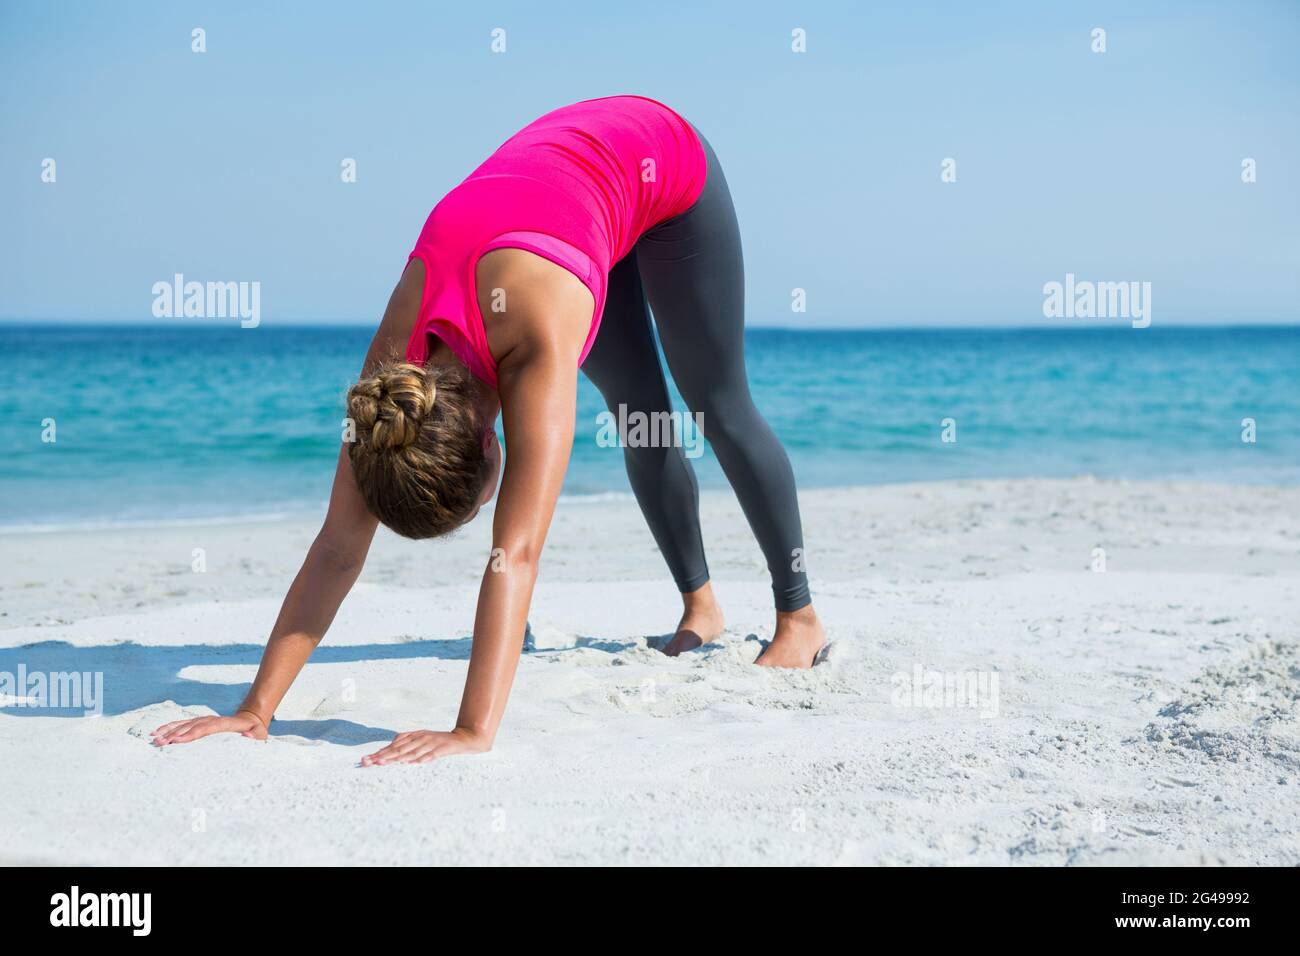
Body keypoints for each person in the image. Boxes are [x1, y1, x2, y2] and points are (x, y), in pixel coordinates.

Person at [152, 96, 826, 765]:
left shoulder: (533, 343)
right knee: (641, 420)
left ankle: (799, 618)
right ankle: (701, 609)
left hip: (656, 159)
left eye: (474, 505)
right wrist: (254, 710)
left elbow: (518, 553)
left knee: (716, 405)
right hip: (565, 210)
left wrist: (472, 729)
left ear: (485, 445)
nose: (487, 516)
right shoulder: (390, 385)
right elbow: (337, 546)